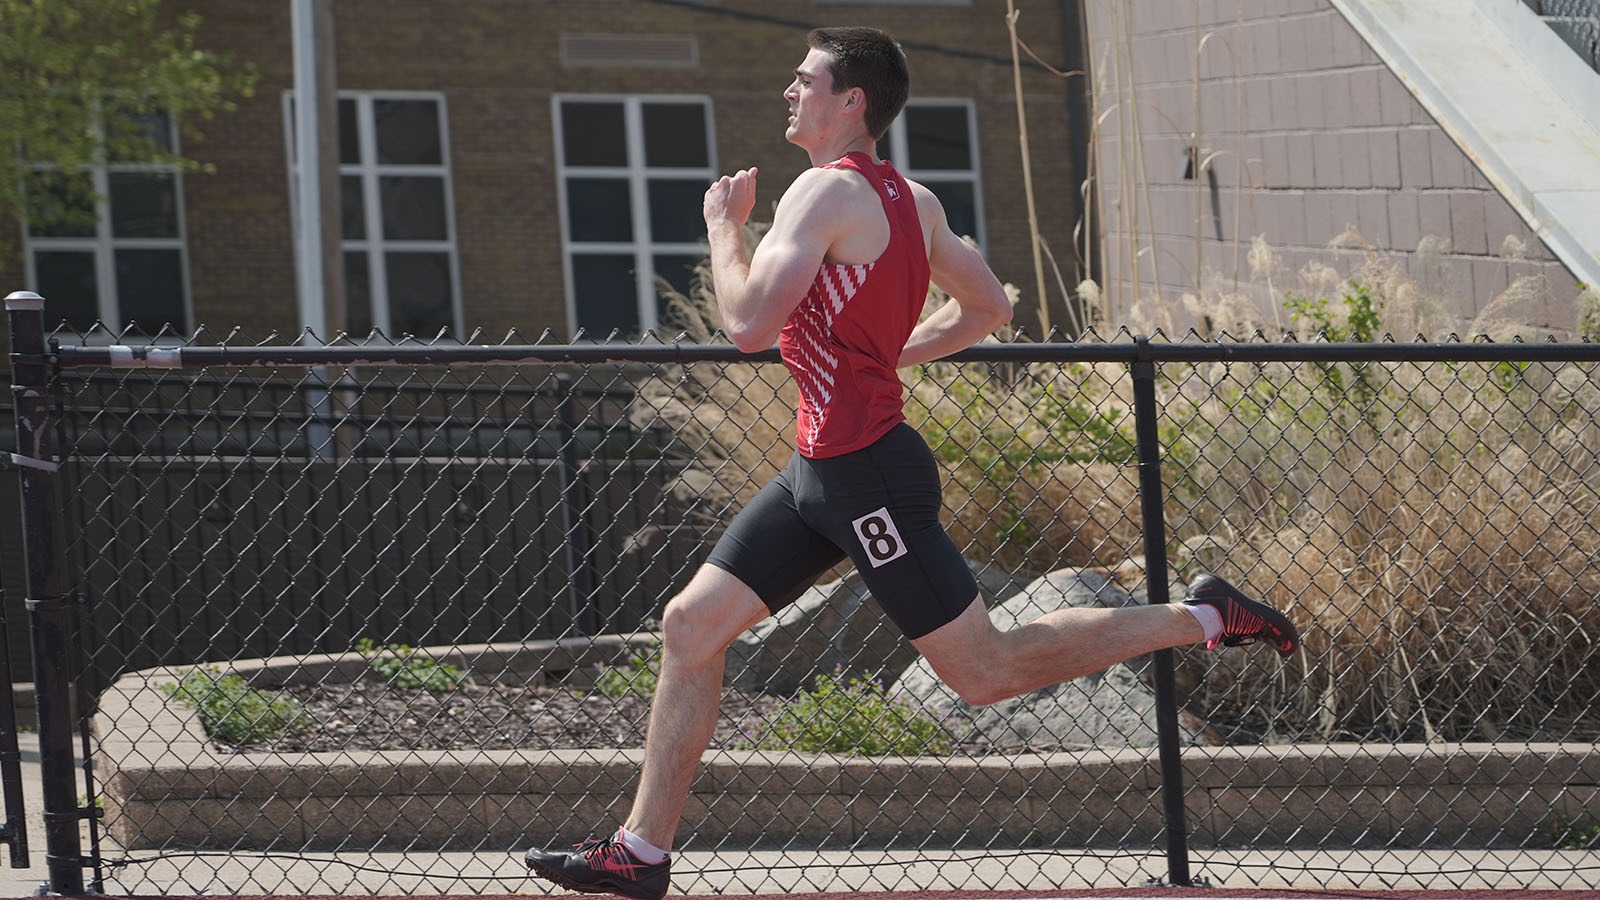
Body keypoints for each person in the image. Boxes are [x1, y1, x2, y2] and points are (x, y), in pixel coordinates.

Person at [524, 26, 1298, 900]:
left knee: (983, 674)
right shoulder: (914, 201)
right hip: (817, 472)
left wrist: (722, 230)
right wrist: (887, 358)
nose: (789, 90)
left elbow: (746, 326)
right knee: (689, 627)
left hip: (868, 480)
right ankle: (642, 854)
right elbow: (990, 305)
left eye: (805, 79)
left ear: (851, 102)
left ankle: (1199, 615)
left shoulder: (821, 195)